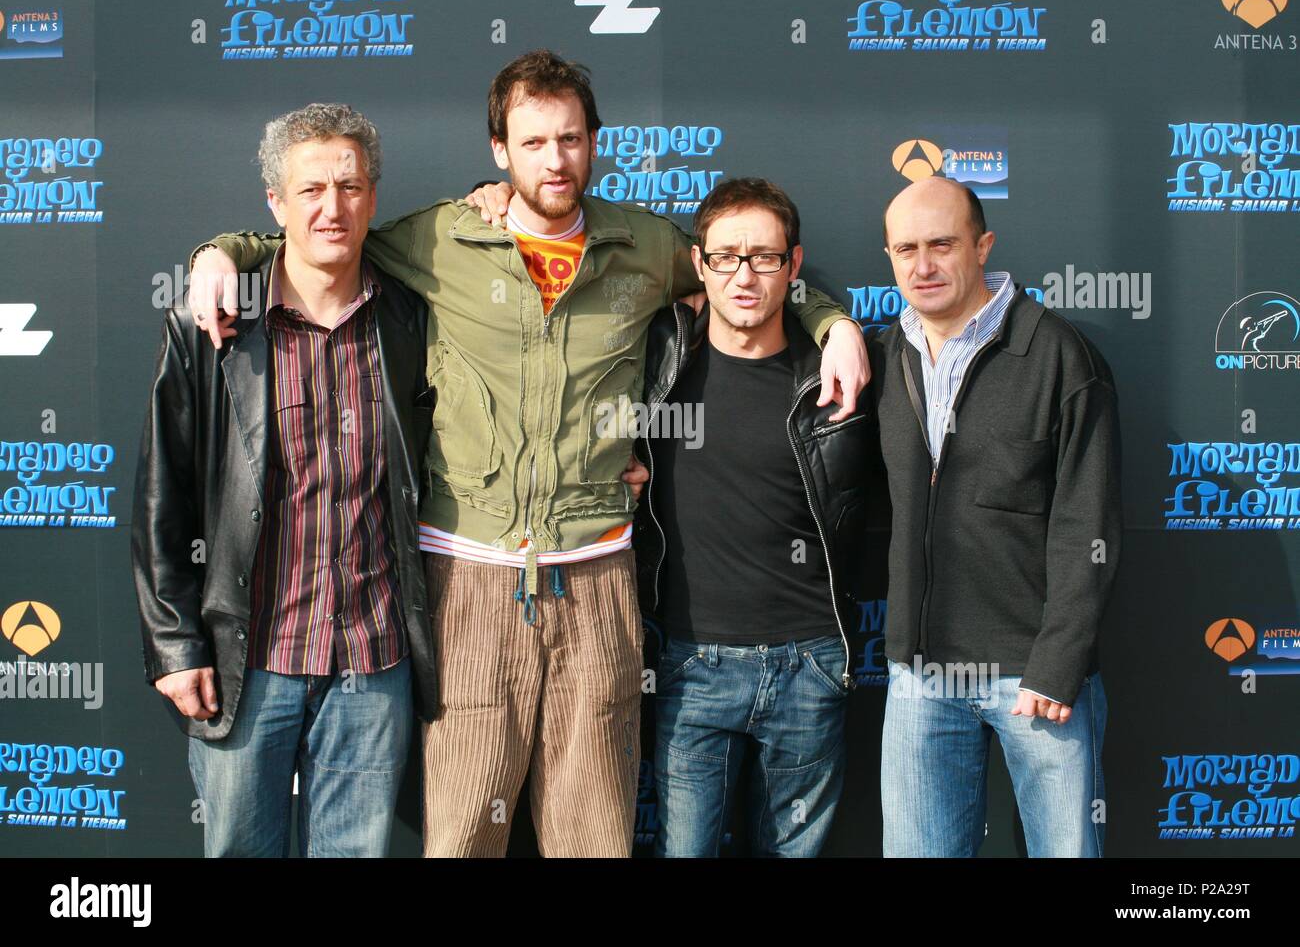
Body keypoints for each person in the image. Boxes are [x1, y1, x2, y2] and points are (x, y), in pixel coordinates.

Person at [185, 50, 869, 857]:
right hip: (470, 582)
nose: (556, 159)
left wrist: (834, 323)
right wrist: (225, 252)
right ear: (500, 151)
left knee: (593, 835)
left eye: (572, 139)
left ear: (593, 143)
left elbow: (741, 260)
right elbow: (321, 236)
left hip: (597, 581)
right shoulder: (442, 239)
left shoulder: (644, 245)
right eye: (534, 141)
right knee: (467, 831)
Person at [132, 103, 435, 857]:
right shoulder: (211, 328)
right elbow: (159, 498)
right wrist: (175, 645)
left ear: (373, 195)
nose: (333, 207)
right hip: (248, 663)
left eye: (351, 186)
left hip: (374, 664)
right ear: (275, 203)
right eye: (311, 190)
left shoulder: (412, 321)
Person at [869, 175, 1121, 857]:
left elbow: (1087, 523)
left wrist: (1058, 661)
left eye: (942, 245)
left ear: (983, 246)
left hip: (1031, 675)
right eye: (905, 249)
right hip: (920, 674)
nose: (923, 266)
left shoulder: (1058, 355)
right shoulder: (881, 356)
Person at [635, 178, 878, 856]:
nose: (745, 277)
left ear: (794, 267)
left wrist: (840, 325)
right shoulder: (658, 361)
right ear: (699, 264)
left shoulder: (838, 380)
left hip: (810, 664)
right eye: (726, 257)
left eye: (766, 258)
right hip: (688, 664)